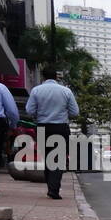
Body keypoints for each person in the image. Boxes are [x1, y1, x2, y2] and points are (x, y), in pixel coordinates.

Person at [25, 67, 79, 200]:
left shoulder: (36, 90)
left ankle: (51, 186)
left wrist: (39, 114)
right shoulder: (66, 91)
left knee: (48, 157)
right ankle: (53, 189)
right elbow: (75, 112)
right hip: (61, 127)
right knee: (59, 159)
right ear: (56, 77)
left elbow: (29, 110)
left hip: (43, 127)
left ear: (43, 77)